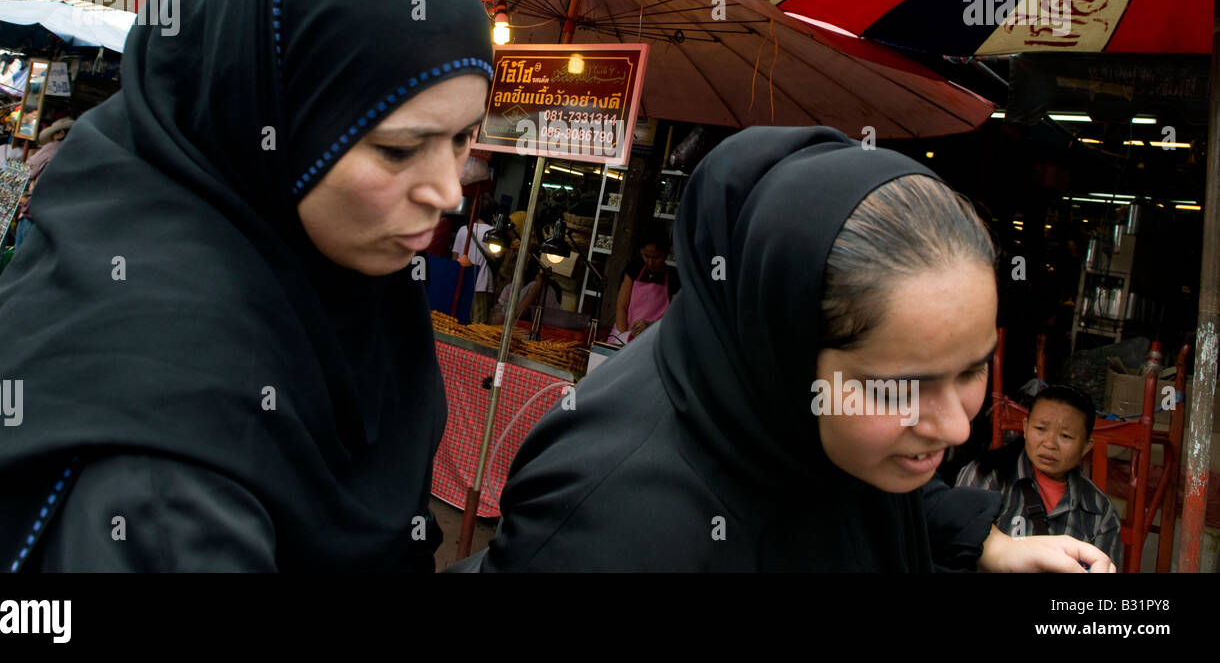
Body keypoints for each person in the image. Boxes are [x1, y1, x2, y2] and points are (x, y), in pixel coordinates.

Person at [0, 0, 495, 571]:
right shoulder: (162, 470)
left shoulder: (350, 301)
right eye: (400, 148)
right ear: (264, 120)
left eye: (462, 139)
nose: (449, 191)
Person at [457, 127, 1115, 572]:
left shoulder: (800, 421)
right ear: (787, 353)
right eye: (899, 387)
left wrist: (990, 547)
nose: (955, 424)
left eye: (973, 368)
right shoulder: (614, 537)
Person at [955, 384, 1123, 567]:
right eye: (1041, 429)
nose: (1050, 444)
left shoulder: (1100, 513)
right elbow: (953, 550)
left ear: (1086, 447)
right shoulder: (985, 475)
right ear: (1026, 428)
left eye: (1065, 436)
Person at [609, 228, 679, 344]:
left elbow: (673, 317)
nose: (650, 262)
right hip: (624, 334)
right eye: (646, 256)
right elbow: (622, 307)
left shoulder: (674, 278)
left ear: (666, 254)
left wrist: (650, 325)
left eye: (656, 257)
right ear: (641, 251)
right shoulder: (633, 270)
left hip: (654, 338)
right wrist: (623, 337)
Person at [14, 117, 73, 250]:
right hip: (59, 217)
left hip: (36, 213)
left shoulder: (53, 147)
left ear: (61, 133)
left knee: (22, 257)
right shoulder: (79, 153)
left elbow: (26, 171)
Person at [452, 194, 498, 324]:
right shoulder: (493, 234)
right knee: (477, 327)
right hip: (482, 286)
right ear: (492, 214)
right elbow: (499, 257)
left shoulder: (463, 230)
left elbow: (454, 258)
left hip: (461, 283)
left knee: (457, 322)